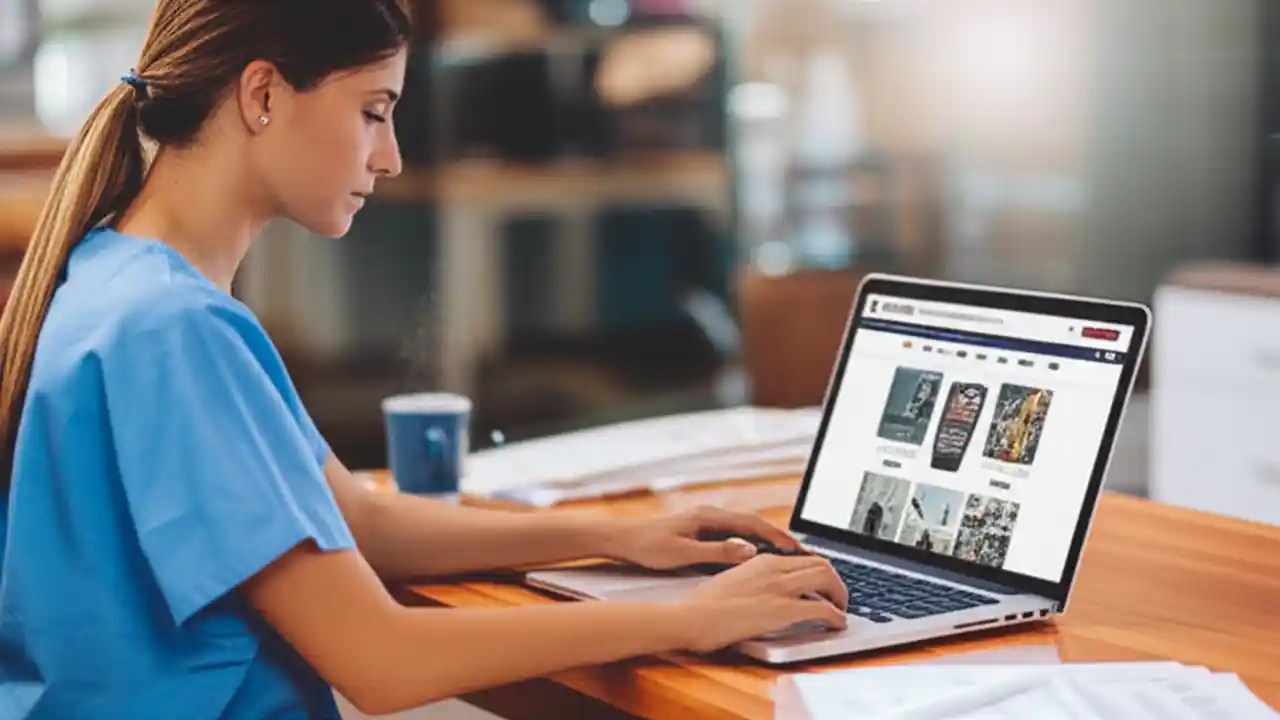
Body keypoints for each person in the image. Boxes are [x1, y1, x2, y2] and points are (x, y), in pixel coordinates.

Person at [0, 1, 848, 717]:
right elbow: (379, 657)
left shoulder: (121, 277)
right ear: (262, 93)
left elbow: (360, 526)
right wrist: (689, 621)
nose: (391, 154)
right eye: (374, 109)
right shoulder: (177, 331)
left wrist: (619, 537)